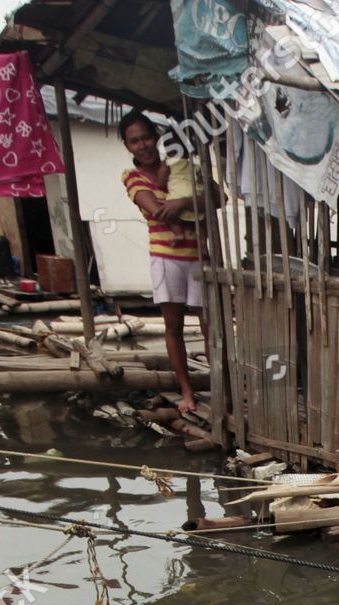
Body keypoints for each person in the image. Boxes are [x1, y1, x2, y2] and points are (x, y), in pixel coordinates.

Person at [119, 110, 204, 414]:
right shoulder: (132, 177)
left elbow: (218, 197)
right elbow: (157, 210)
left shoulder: (180, 166)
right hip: (167, 259)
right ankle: (187, 391)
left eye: (146, 137)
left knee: (211, 326)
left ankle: (223, 385)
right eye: (134, 141)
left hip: (200, 258)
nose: (142, 144)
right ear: (128, 146)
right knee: (174, 327)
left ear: (156, 137)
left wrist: (182, 202)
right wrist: (187, 202)